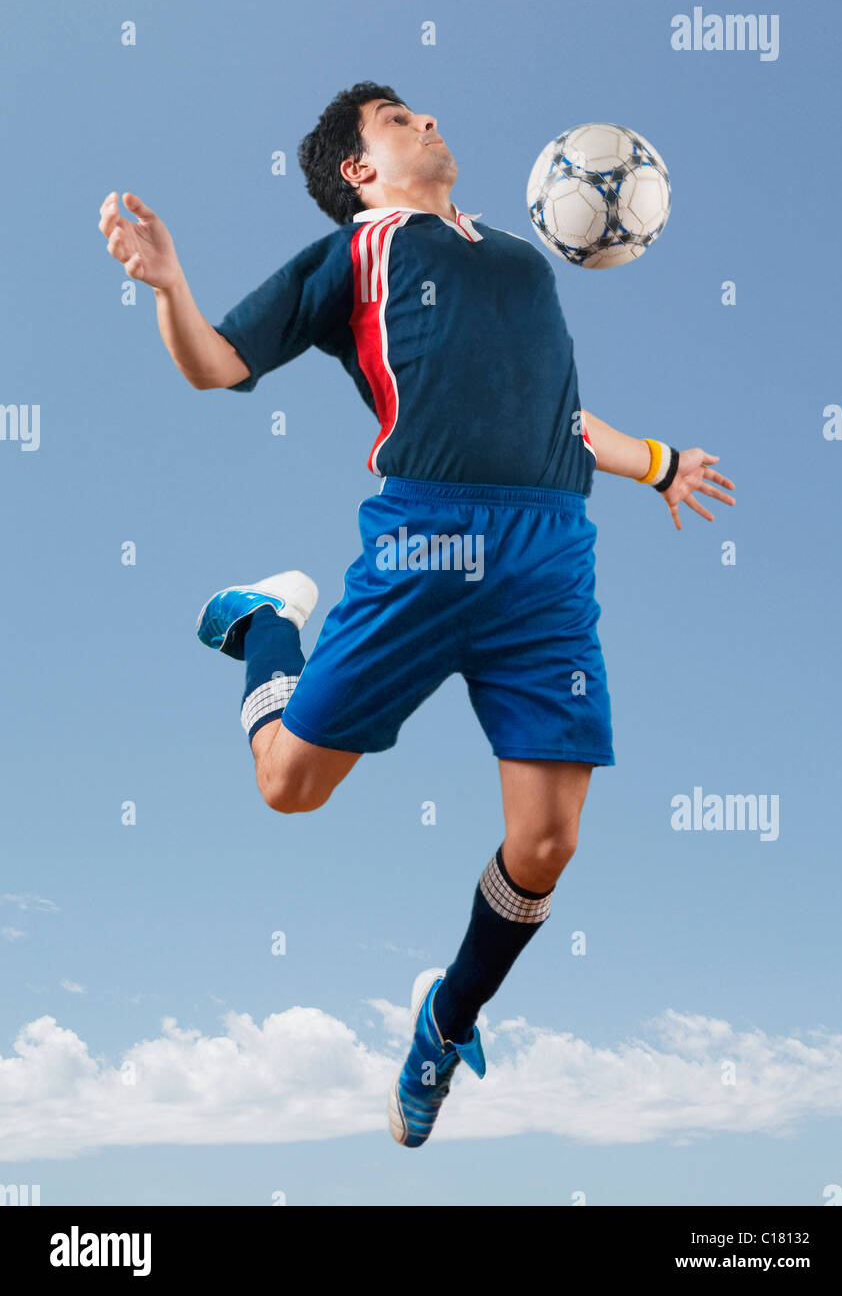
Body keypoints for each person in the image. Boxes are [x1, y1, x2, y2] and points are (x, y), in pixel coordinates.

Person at [97, 81, 735, 1148]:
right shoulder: (356, 252)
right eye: (398, 120)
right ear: (358, 169)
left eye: (424, 113)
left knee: (546, 842)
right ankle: (265, 622)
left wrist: (658, 463)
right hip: (422, 543)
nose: (428, 122)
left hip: (546, 556)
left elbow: (557, 413)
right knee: (286, 786)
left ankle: (443, 1022)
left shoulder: (525, 258)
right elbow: (216, 363)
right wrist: (170, 286)